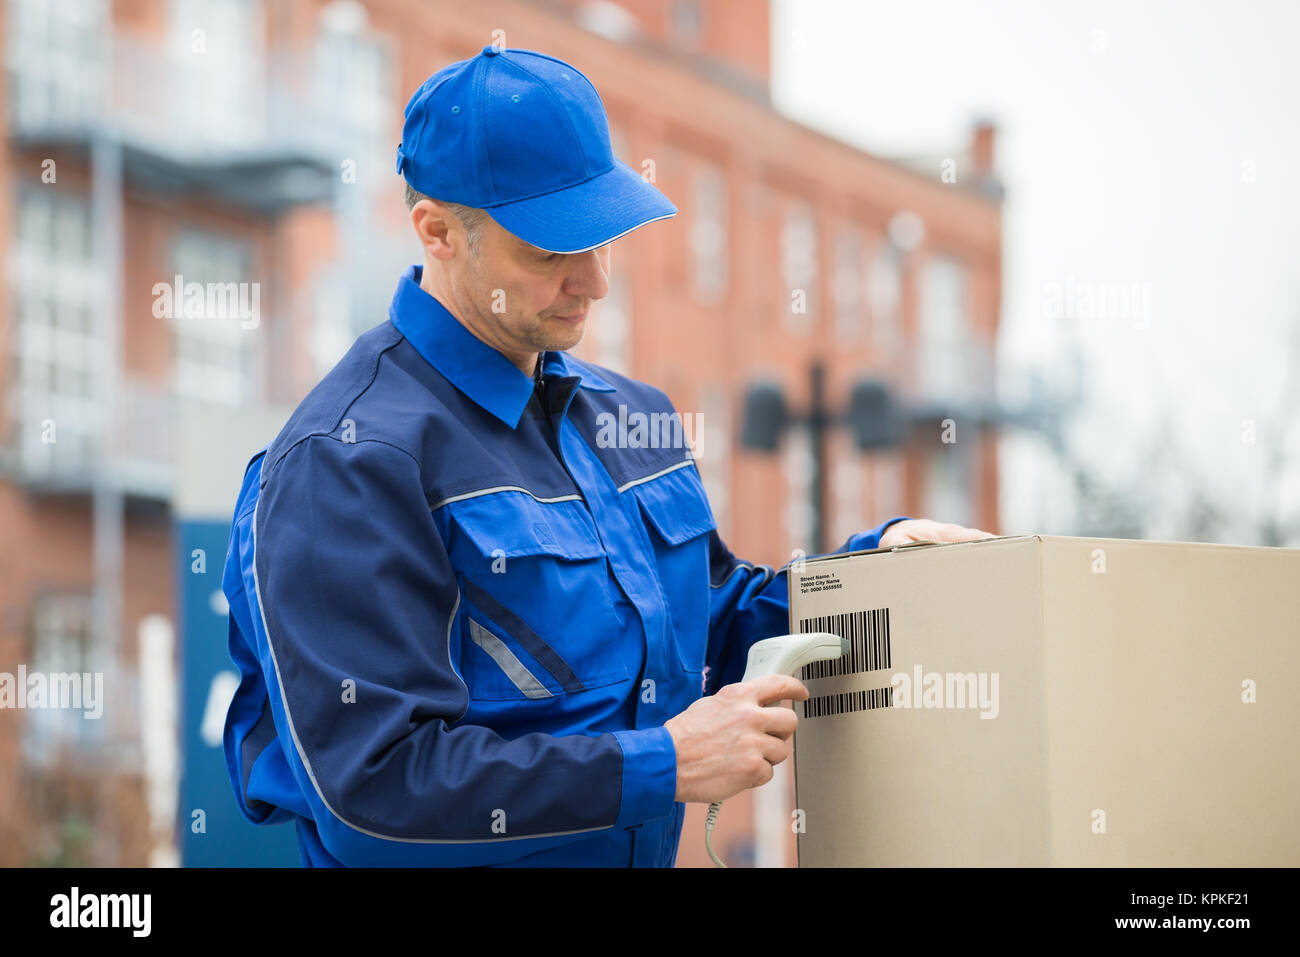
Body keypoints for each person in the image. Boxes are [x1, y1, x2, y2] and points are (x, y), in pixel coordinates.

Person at [220, 45, 992, 867]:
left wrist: (877, 573)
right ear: (438, 231)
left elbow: (716, 623)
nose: (593, 281)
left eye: (602, 237)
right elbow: (371, 792)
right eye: (551, 250)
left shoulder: (636, 417)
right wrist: (669, 763)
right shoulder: (345, 462)